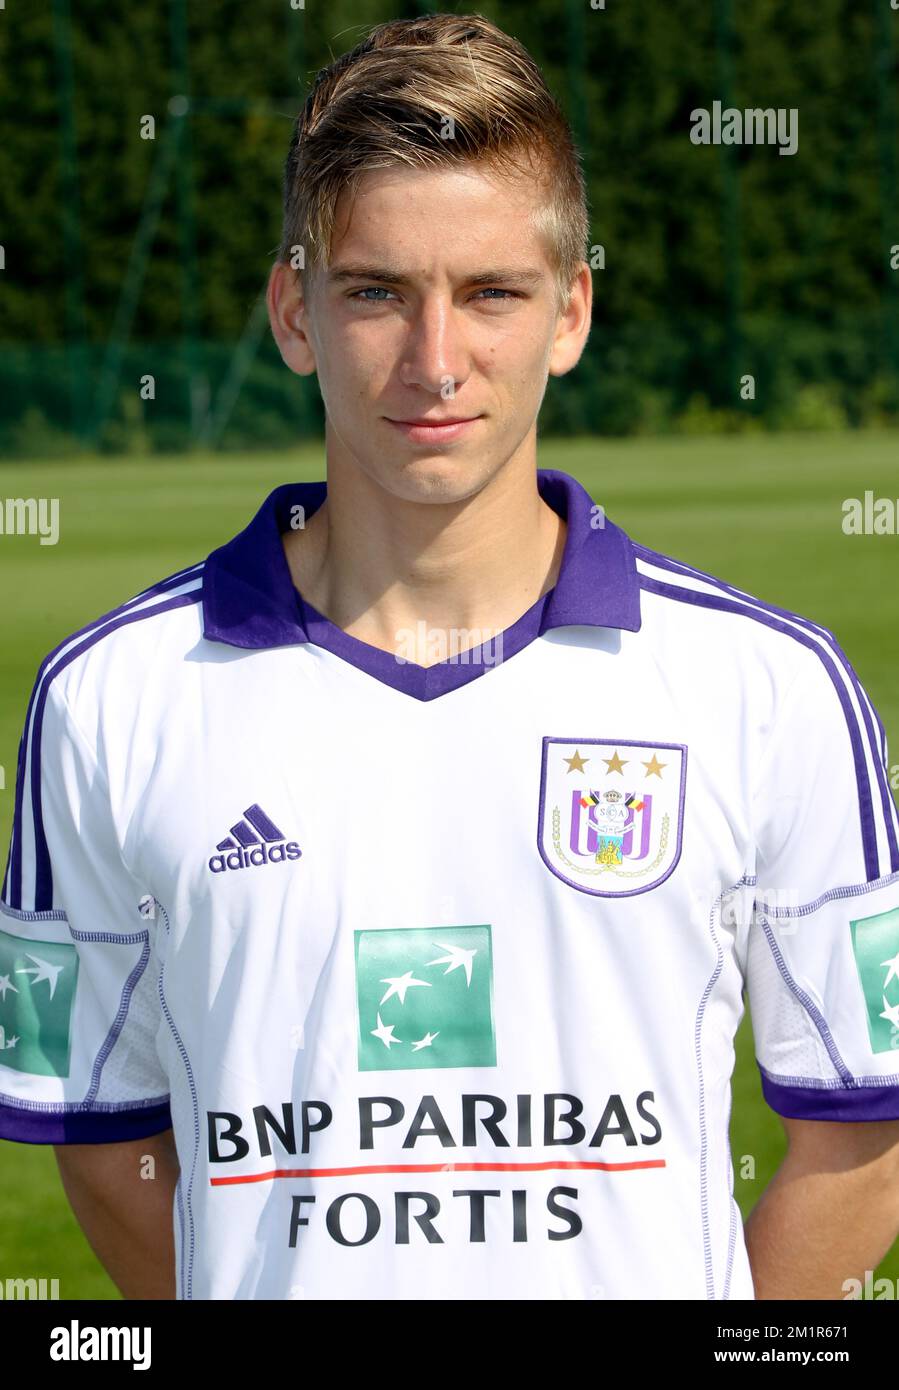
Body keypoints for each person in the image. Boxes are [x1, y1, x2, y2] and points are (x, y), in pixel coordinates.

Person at [2, 12, 899, 1302]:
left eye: (492, 293)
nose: (435, 363)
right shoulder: (109, 702)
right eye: (374, 291)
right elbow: (102, 1139)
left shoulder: (767, 687)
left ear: (572, 310)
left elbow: (858, 1124)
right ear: (293, 312)